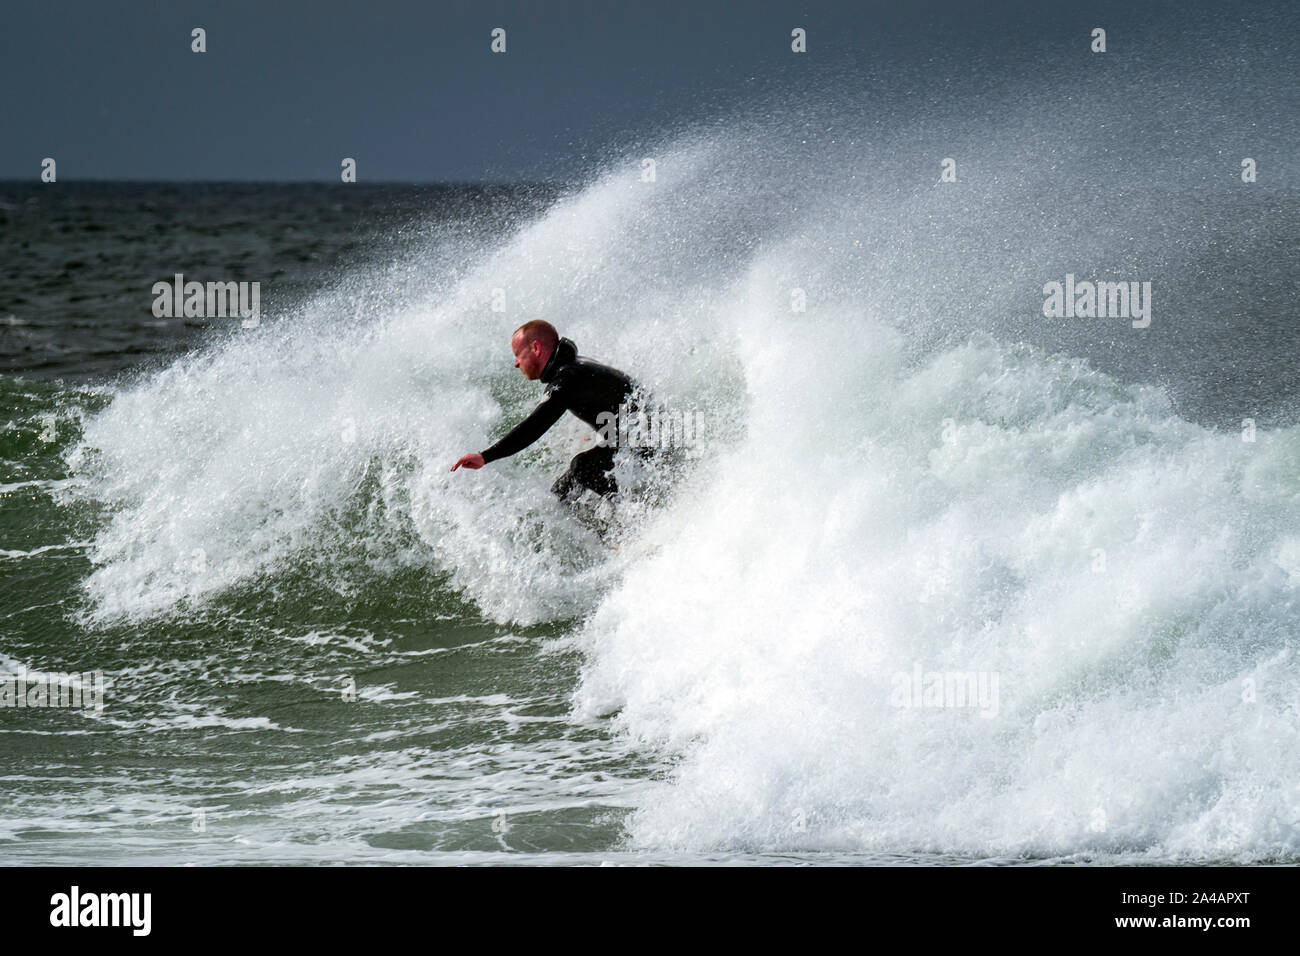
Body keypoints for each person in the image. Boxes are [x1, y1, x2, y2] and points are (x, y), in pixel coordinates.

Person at [451, 320, 643, 500]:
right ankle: (616, 517)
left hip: (646, 440)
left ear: (536, 348)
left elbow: (535, 426)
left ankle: (637, 515)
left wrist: (485, 456)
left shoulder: (567, 378)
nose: (516, 363)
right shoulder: (572, 367)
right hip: (644, 435)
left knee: (583, 467)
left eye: (518, 354)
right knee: (562, 492)